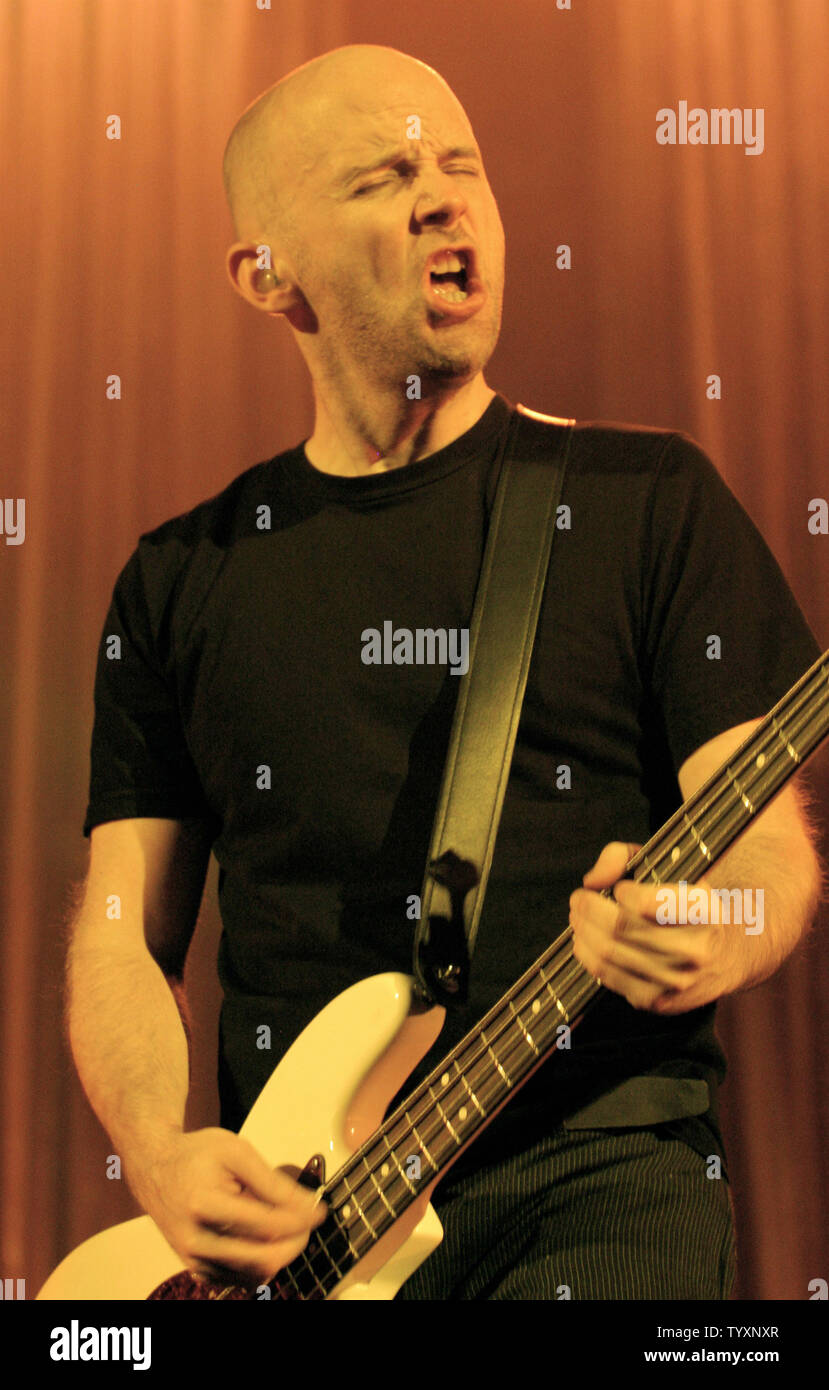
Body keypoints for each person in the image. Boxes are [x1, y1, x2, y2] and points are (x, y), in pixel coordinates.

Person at [67, 43, 824, 1300]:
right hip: (302, 1234)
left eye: (458, 163)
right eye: (381, 175)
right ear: (267, 274)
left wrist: (709, 925)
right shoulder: (182, 575)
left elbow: (767, 860)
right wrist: (156, 1155)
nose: (441, 196)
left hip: (595, 1177)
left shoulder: (643, 500)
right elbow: (117, 929)